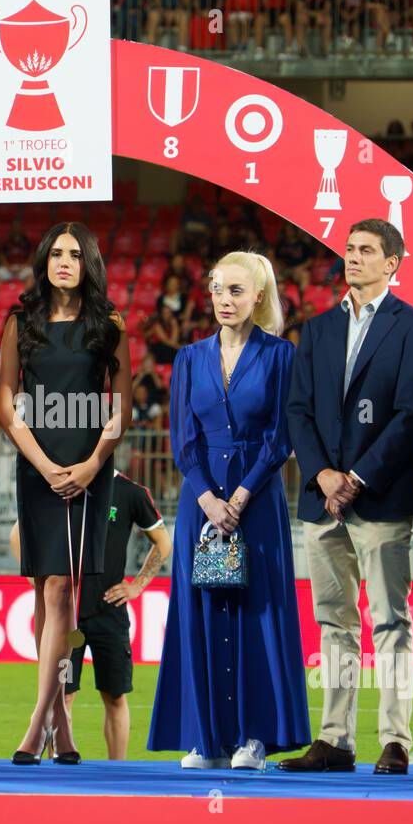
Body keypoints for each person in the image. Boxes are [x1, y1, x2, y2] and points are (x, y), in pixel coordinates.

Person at [282, 219, 413, 775]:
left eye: (367, 251)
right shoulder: (318, 329)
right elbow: (297, 411)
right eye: (349, 249)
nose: (353, 258)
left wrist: (358, 478)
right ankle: (335, 739)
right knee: (334, 623)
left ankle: (395, 739)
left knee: (391, 623)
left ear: (393, 263)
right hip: (321, 500)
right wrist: (324, 474)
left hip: (381, 500)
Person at [149, 251, 310, 770]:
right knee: (200, 614)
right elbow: (182, 439)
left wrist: (238, 498)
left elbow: (279, 439)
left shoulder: (281, 355)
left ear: (259, 296)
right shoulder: (189, 358)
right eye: (218, 288)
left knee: (256, 615)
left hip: (255, 505)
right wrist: (207, 500)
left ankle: (254, 737)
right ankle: (206, 739)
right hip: (202, 506)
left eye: (237, 290)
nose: (225, 299)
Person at [0, 222, 131, 765]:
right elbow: (6, 403)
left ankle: (42, 724)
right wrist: (47, 465)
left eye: (76, 254)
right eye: (56, 253)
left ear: (89, 263)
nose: (65, 262)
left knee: (61, 592)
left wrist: (93, 463)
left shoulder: (110, 325)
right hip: (38, 467)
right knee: (45, 589)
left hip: (91, 466)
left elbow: (118, 407)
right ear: (43, 260)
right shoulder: (19, 321)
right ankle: (59, 723)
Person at [11, 468, 171, 761]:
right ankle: (60, 764)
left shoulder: (130, 492)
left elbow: (163, 542)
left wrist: (137, 586)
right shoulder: (60, 485)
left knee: (114, 695)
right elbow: (16, 535)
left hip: (109, 614)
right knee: (62, 694)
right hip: (64, 617)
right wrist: (37, 580)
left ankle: (117, 769)